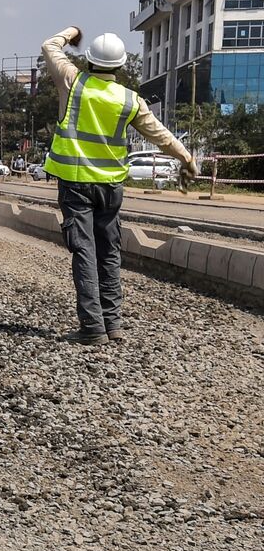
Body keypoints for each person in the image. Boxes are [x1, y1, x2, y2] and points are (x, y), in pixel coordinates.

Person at [42, 26, 198, 344]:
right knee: (109, 253)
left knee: (84, 251)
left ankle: (92, 328)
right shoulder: (130, 100)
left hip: (76, 184)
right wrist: (186, 157)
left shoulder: (72, 81)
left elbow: (49, 46)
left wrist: (72, 32)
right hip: (111, 188)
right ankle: (112, 324)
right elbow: (161, 135)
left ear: (89, 60)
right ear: (121, 65)